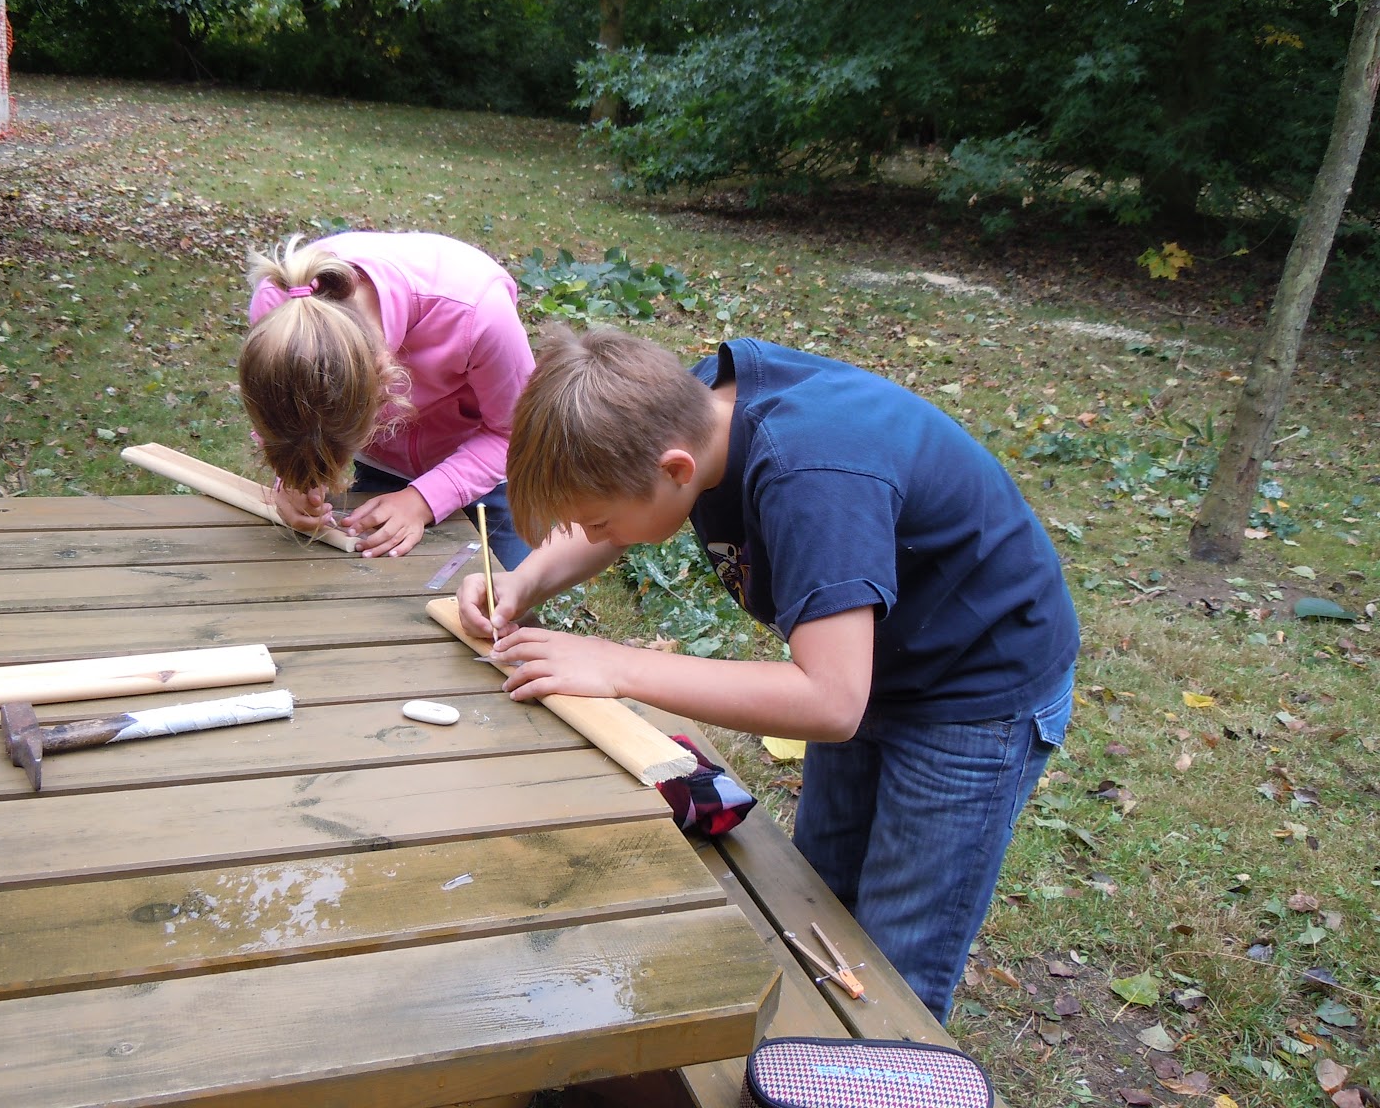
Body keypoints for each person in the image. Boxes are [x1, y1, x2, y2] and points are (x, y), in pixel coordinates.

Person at [456, 324, 1079, 1022]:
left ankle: (888, 1078)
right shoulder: (683, 409)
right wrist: (527, 579)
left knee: (896, 960)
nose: (596, 537)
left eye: (598, 523)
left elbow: (832, 700)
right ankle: (811, 1063)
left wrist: (616, 665)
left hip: (973, 689)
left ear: (676, 470)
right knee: (817, 902)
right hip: (872, 654)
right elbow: (613, 509)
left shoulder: (812, 476)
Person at [239, 230, 534, 566]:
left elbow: (516, 432)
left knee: (513, 591)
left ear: (386, 378)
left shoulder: (479, 312)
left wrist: (423, 499)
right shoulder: (283, 305)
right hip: (383, 463)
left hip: (487, 470)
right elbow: (277, 413)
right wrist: (292, 477)